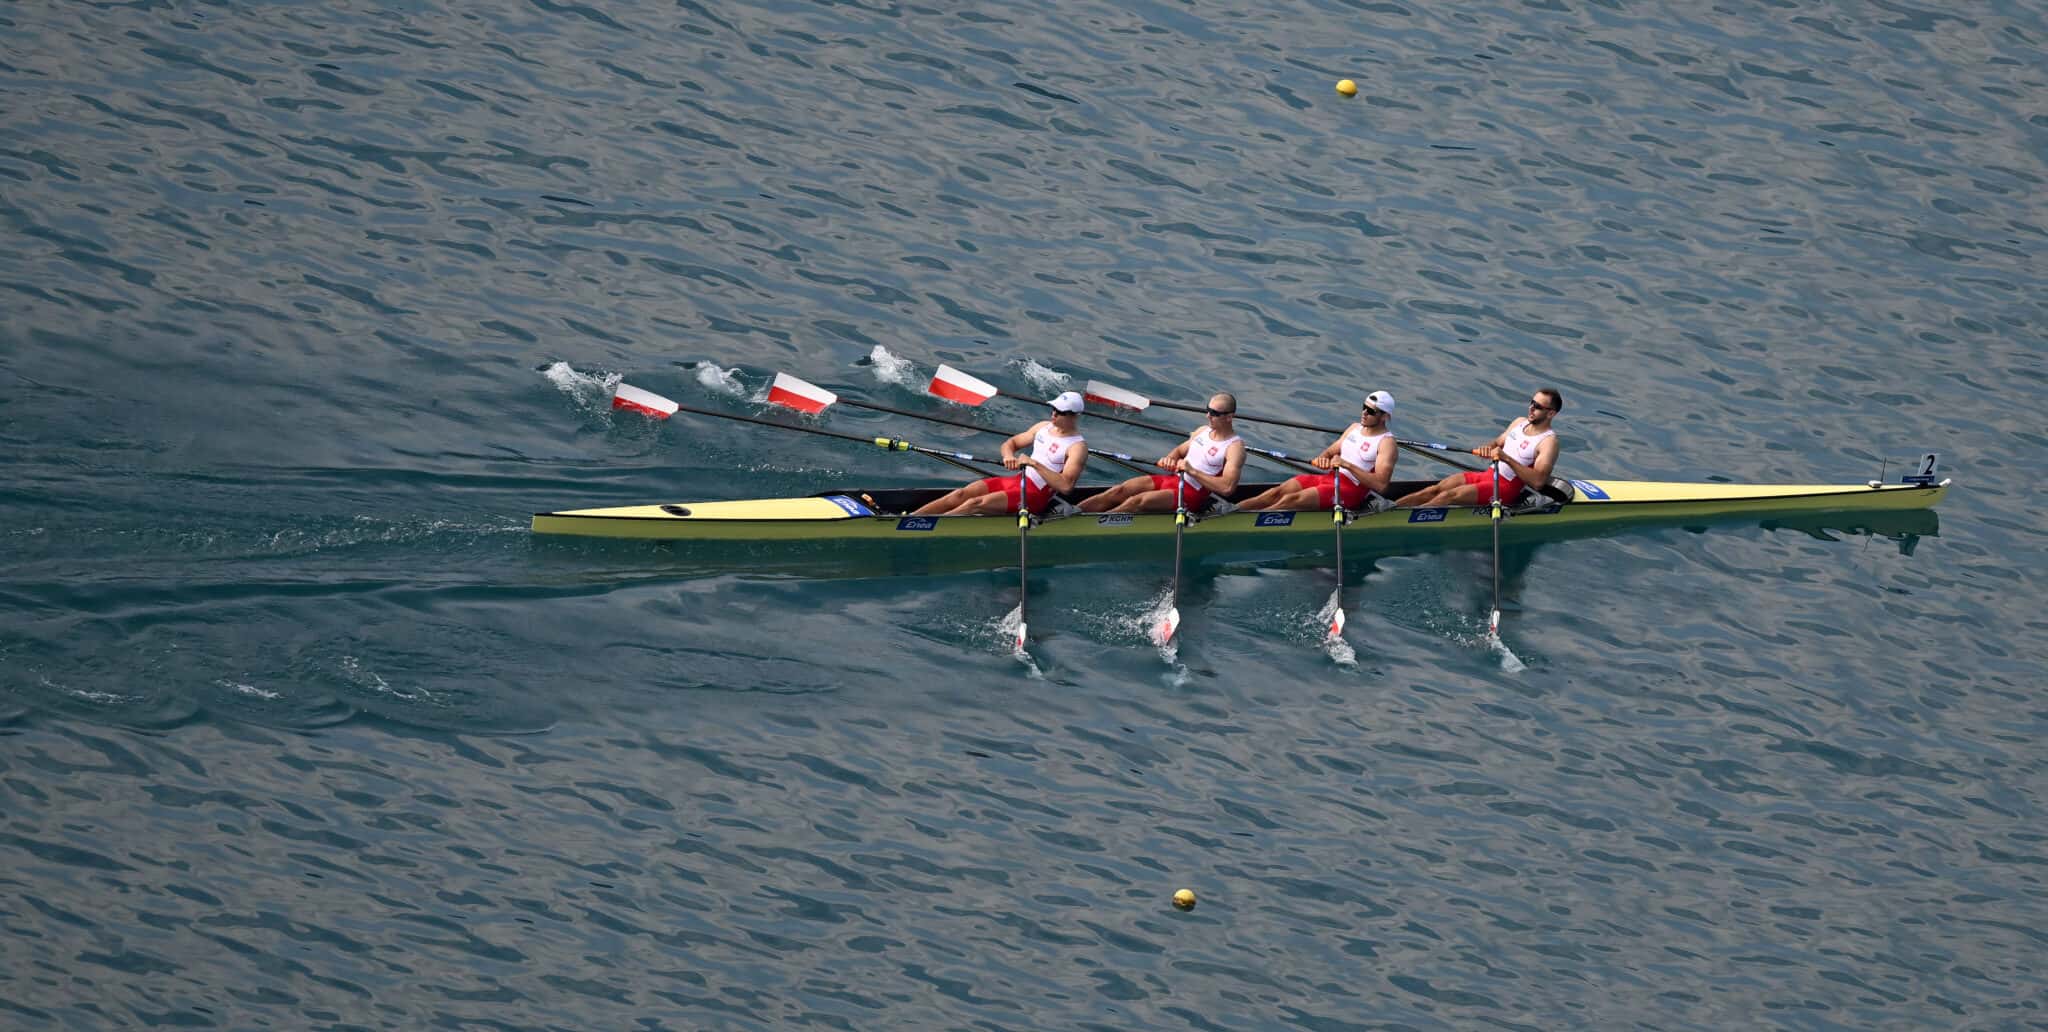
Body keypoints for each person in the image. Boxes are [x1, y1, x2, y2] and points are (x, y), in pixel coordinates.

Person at [912, 392, 1088, 516]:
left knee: (975, 504)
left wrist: (1034, 464)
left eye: (1060, 412)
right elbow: (1009, 443)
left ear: (1074, 416)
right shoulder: (1042, 427)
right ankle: (911, 518)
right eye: (1053, 409)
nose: (1054, 414)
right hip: (1017, 482)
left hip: (1035, 497)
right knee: (960, 494)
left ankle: (931, 526)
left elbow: (1066, 486)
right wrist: (1008, 456)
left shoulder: (1077, 447)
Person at [1077, 392, 1247, 514]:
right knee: (1119, 491)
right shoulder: (1202, 431)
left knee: (1137, 501)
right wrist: (1169, 459)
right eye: (1208, 410)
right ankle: (1073, 513)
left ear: (1229, 417)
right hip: (1172, 480)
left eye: (1215, 413)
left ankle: (1097, 523)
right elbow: (1179, 451)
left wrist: (1192, 471)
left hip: (1190, 495)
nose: (1208, 416)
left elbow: (1227, 488)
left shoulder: (1234, 447)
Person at [1393, 388, 1563, 509]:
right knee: (1436, 489)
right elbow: (1496, 444)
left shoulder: (1548, 442)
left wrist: (1506, 459)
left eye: (1538, 406)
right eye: (1532, 402)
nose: (1531, 408)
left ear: (1551, 414)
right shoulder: (1519, 423)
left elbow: (1538, 482)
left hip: (1505, 489)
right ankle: (1391, 509)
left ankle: (1405, 520)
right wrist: (1486, 449)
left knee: (1447, 496)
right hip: (1487, 475)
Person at [1237, 391, 1399, 512]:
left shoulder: (1386, 443)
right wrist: (1322, 459)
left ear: (1385, 416)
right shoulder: (1354, 428)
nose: (1364, 413)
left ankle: (1247, 523)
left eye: (1371, 411)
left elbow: (1381, 485)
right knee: (1276, 492)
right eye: (1364, 407)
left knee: (1291, 499)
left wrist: (1347, 465)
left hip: (1350, 492)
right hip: (1329, 479)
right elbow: (1329, 453)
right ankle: (1233, 511)